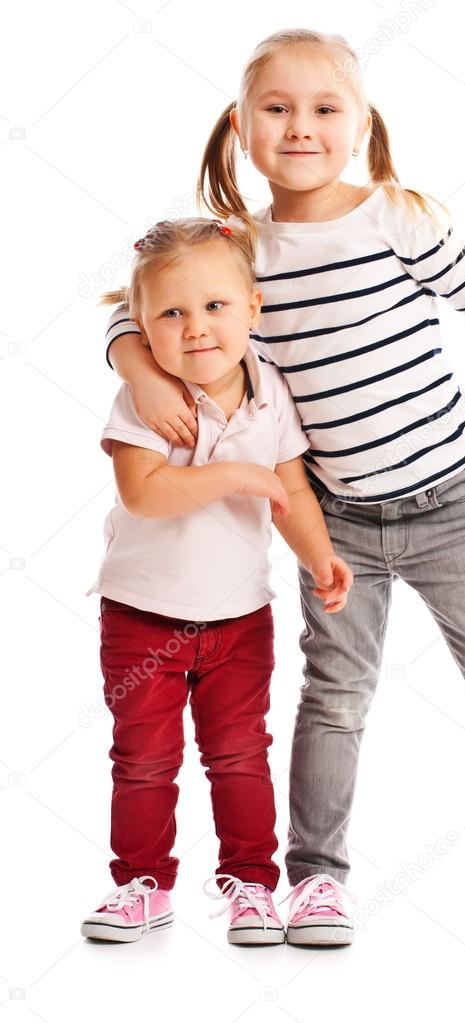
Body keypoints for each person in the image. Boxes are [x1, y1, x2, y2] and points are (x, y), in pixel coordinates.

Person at [100, 29, 465, 959]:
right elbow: (144, 293)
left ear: (360, 125)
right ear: (242, 127)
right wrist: (133, 363)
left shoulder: (394, 217)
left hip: (450, 504)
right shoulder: (245, 248)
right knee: (335, 695)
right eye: (276, 110)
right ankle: (316, 879)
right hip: (336, 512)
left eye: (324, 109)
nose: (300, 127)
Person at [82, 215, 353, 945]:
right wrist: (232, 472)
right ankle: (141, 883)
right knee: (144, 757)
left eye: (214, 307)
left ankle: (252, 885)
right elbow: (144, 492)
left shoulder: (271, 393)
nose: (195, 329)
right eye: (171, 314)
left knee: (239, 753)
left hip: (239, 619)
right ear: (139, 327)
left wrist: (319, 555)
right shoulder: (151, 399)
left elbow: (289, 490)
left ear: (252, 310)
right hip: (142, 616)